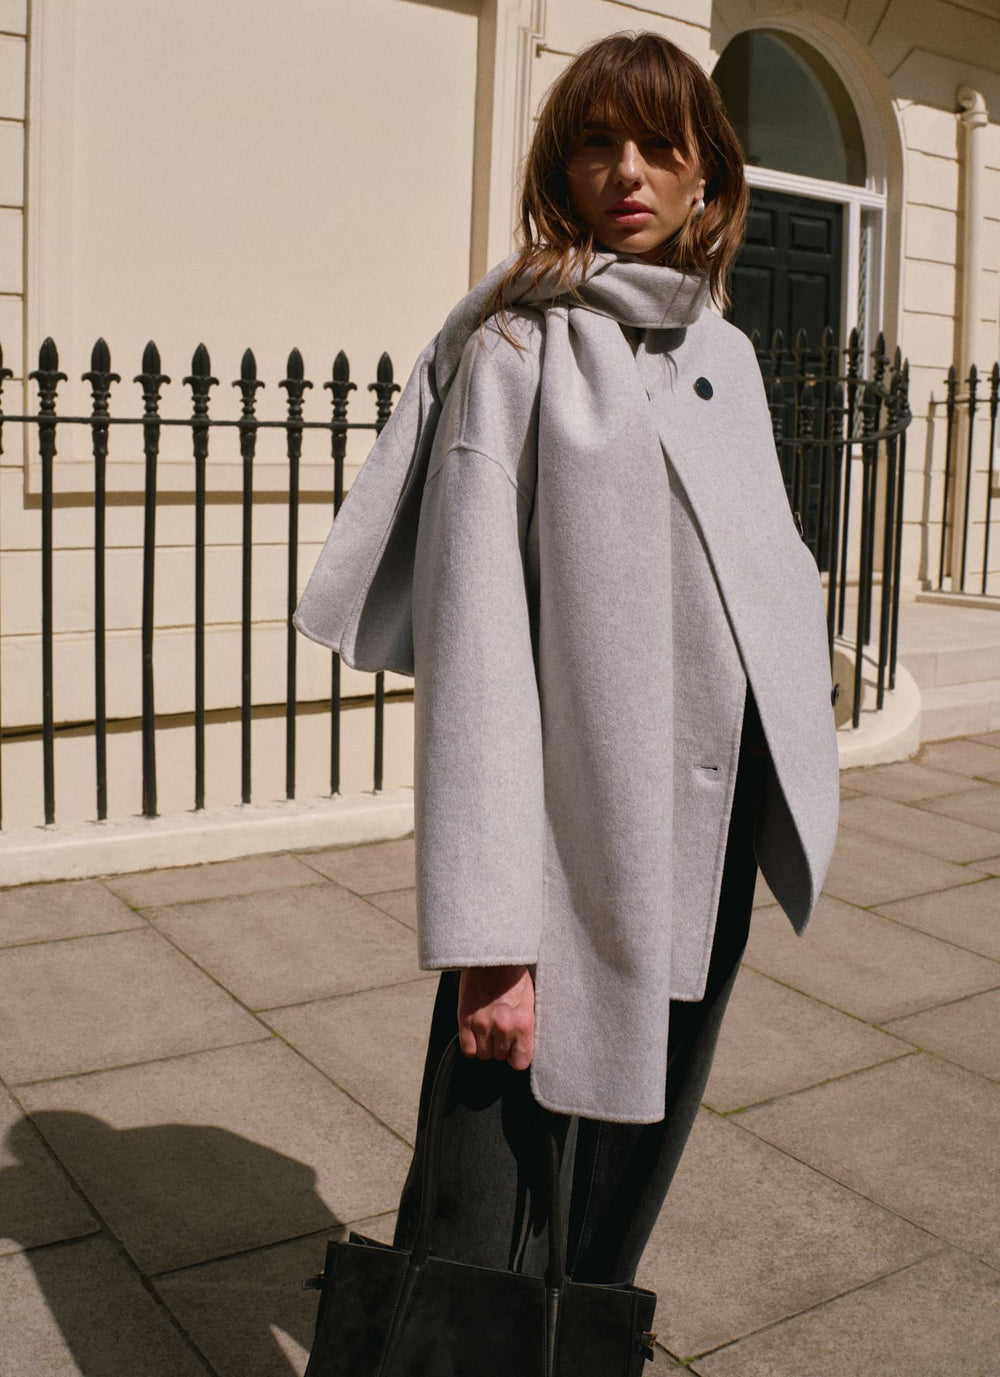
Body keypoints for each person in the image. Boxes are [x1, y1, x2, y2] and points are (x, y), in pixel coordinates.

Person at [294, 30, 839, 1294]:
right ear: (562, 168)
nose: (627, 172)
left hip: (703, 843)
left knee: (613, 1212)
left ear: (708, 176)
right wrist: (493, 941)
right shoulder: (514, 351)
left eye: (660, 145)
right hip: (558, 857)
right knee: (476, 1231)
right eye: (597, 143)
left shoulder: (722, 352)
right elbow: (479, 661)